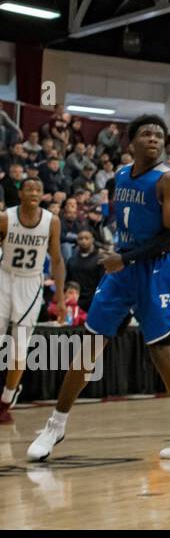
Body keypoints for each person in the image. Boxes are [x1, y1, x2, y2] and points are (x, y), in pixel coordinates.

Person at [27, 115, 170, 460]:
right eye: (147, 134)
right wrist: (121, 256)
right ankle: (56, 425)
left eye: (159, 134)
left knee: (160, 352)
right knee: (89, 345)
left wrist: (124, 259)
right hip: (122, 267)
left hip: (152, 270)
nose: (155, 138)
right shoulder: (122, 175)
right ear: (131, 144)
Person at [0, 178, 64, 422]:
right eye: (29, 189)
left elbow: (57, 260)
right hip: (4, 277)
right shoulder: (6, 217)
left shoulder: (51, 222)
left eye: (38, 189)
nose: (34, 192)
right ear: (21, 193)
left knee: (19, 348)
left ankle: (6, 400)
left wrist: (59, 297)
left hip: (31, 284)